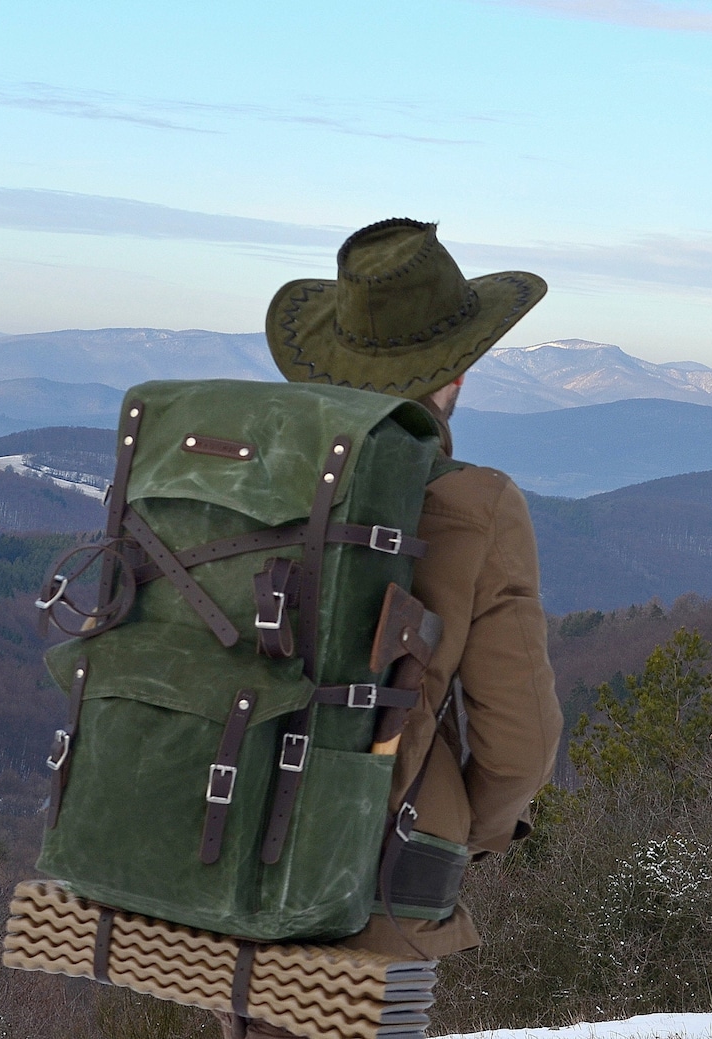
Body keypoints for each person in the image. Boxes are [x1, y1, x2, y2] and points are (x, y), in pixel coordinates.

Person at [216, 217, 563, 1039]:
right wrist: (447, 836)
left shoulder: (262, 473)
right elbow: (522, 740)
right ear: (461, 372)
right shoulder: (477, 505)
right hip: (372, 875)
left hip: (227, 843)